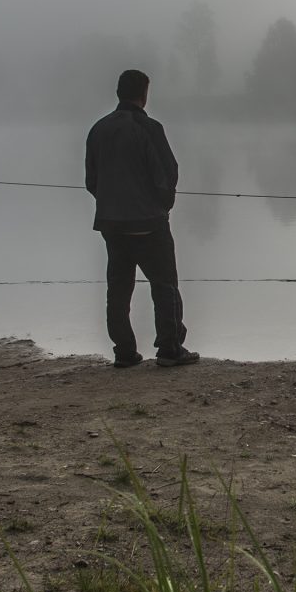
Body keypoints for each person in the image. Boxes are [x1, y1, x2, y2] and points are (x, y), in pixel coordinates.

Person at [85, 68, 197, 368]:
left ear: (119, 92)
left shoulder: (98, 129)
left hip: (111, 224)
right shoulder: (149, 128)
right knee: (165, 285)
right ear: (143, 94)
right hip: (149, 224)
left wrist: (110, 205)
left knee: (118, 289)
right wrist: (164, 206)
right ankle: (170, 349)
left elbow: (91, 180)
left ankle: (124, 351)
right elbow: (167, 173)